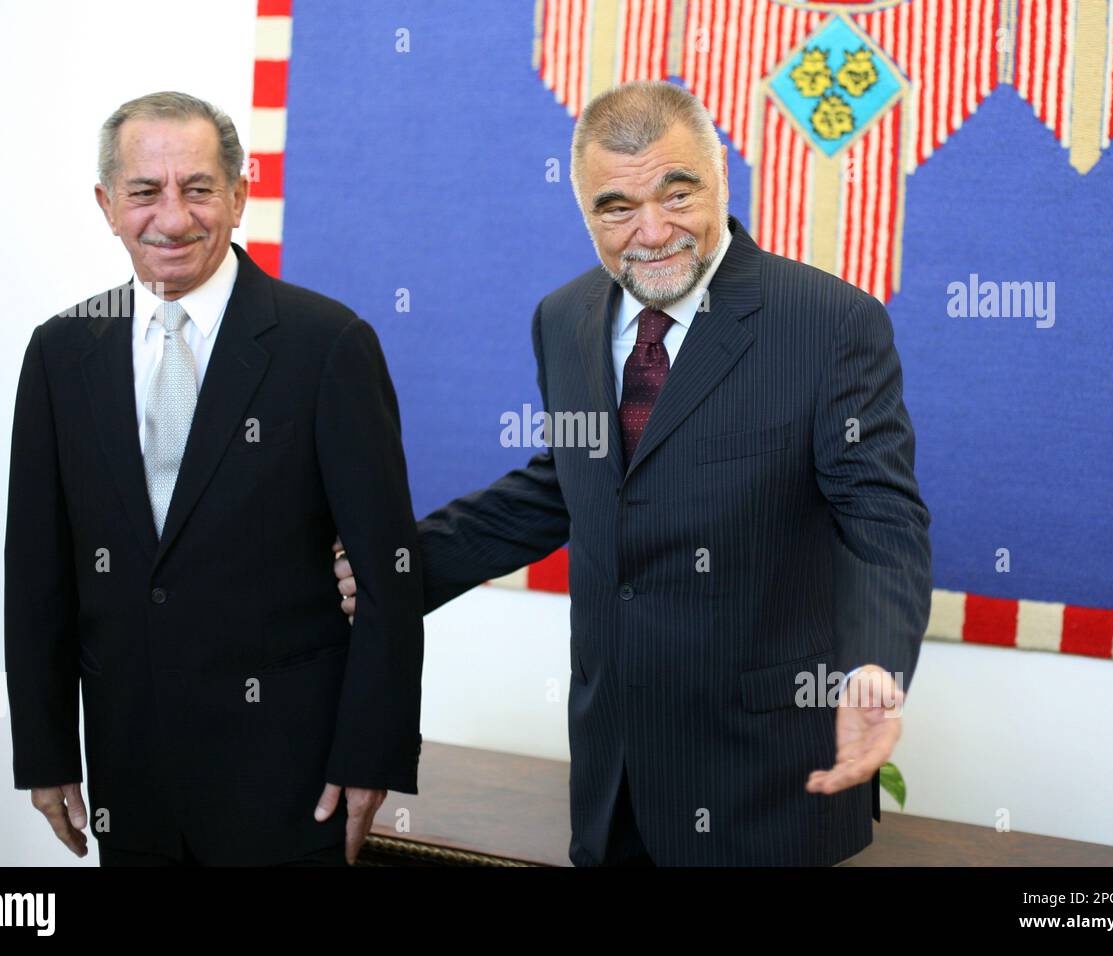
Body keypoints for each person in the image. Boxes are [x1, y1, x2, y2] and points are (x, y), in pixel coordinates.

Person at [334, 80, 931, 866]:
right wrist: (395, 568)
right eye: (617, 207)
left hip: (768, 792)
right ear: (585, 212)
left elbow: (882, 523)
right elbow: (571, 483)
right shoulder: (565, 317)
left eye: (677, 194)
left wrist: (875, 671)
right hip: (612, 786)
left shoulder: (829, 323)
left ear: (721, 179)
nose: (652, 231)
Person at [4, 91, 423, 866]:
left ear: (238, 194)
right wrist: (46, 748)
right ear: (106, 204)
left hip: (289, 779)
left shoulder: (328, 344)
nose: (172, 218)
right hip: (129, 772)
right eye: (144, 192)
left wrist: (374, 753)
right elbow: (35, 572)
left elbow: (388, 573)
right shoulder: (62, 351)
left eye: (198, 189)